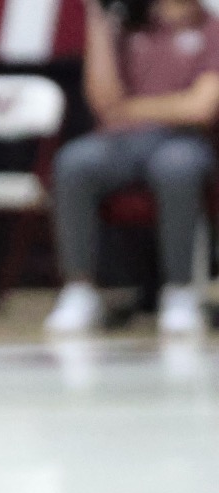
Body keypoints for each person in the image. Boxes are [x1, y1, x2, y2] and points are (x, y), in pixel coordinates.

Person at [44, 0, 219, 335]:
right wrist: (97, 20)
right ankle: (80, 289)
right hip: (119, 143)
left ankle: (179, 291)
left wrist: (128, 110)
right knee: (73, 162)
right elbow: (103, 101)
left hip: (182, 140)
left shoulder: (212, 29)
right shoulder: (127, 27)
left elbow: (200, 108)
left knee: (177, 167)